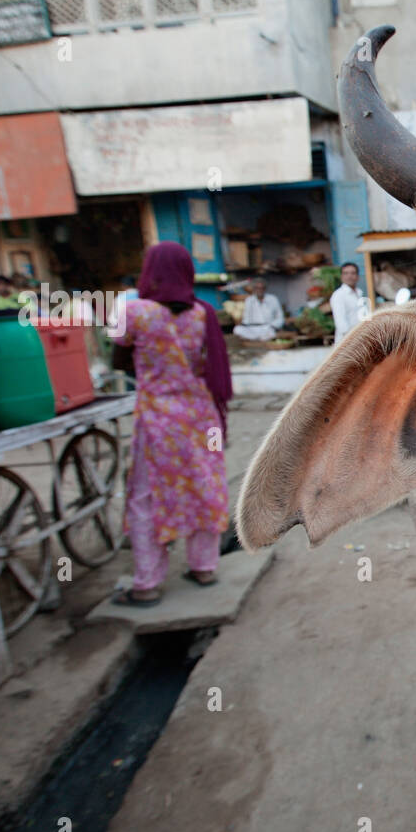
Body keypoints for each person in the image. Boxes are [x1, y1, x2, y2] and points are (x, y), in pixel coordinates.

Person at [109, 242, 232, 605]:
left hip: (158, 420)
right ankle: (204, 567)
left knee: (147, 497)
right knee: (206, 486)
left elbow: (119, 359)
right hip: (201, 416)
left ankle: (147, 584)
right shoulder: (202, 313)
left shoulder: (134, 313)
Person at [330, 261, 368, 344]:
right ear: (341, 277)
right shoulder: (338, 295)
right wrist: (354, 341)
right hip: (347, 343)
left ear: (358, 276)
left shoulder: (359, 293)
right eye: (346, 273)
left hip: (362, 340)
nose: (349, 276)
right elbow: (341, 324)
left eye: (353, 273)